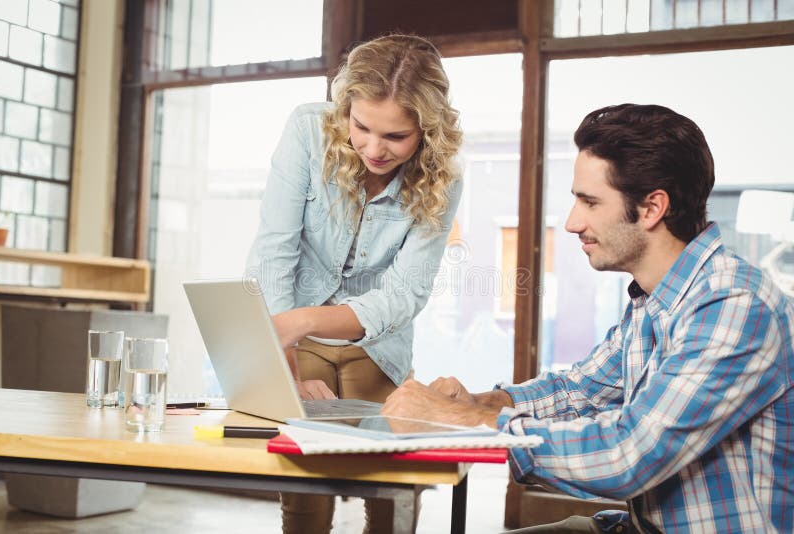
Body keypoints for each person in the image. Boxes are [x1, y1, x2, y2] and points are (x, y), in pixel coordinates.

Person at [382, 103, 794, 533]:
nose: (573, 222)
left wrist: (465, 422)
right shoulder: (654, 300)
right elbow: (580, 390)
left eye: (590, 202)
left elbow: (629, 453)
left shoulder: (734, 305)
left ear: (652, 208)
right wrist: (481, 403)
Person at [246, 34, 463, 533]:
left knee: (393, 502)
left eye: (396, 137)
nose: (373, 148)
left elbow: (406, 292)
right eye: (361, 126)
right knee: (305, 502)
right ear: (345, 107)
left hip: (379, 346)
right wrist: (288, 367)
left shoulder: (445, 173)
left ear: (427, 132)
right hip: (297, 339)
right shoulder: (307, 129)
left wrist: (301, 320)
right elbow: (275, 250)